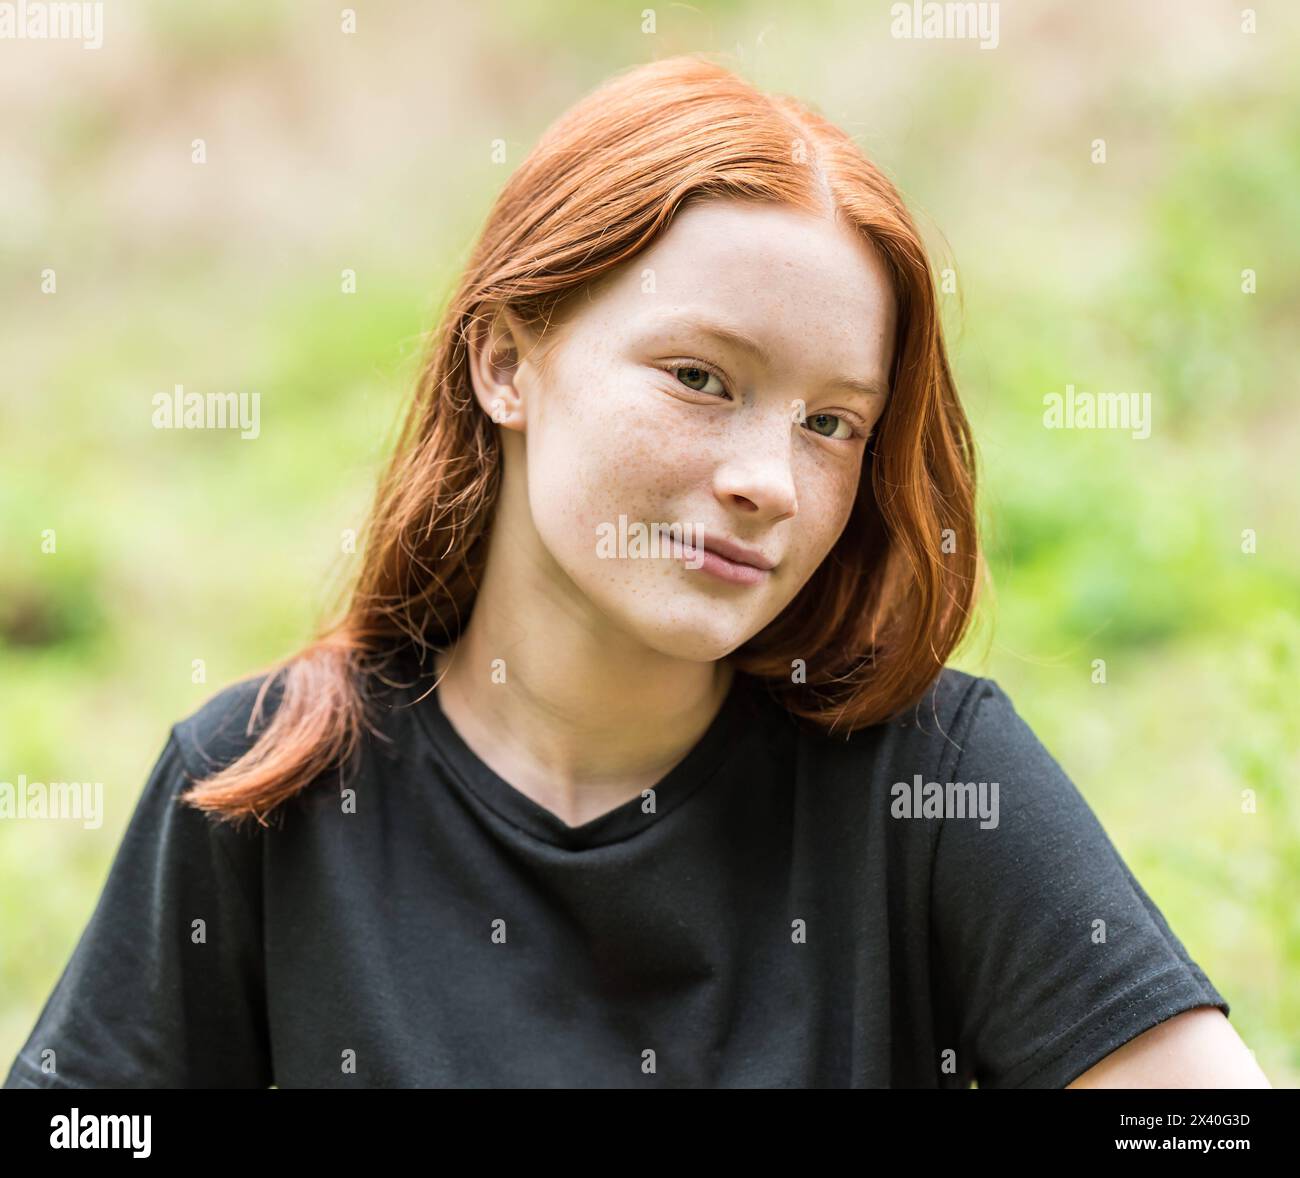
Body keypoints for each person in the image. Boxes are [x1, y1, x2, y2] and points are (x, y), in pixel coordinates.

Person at [4, 55, 1269, 1090]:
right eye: (701, 378)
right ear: (507, 363)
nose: (769, 479)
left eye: (832, 422)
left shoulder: (928, 779)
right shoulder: (265, 784)